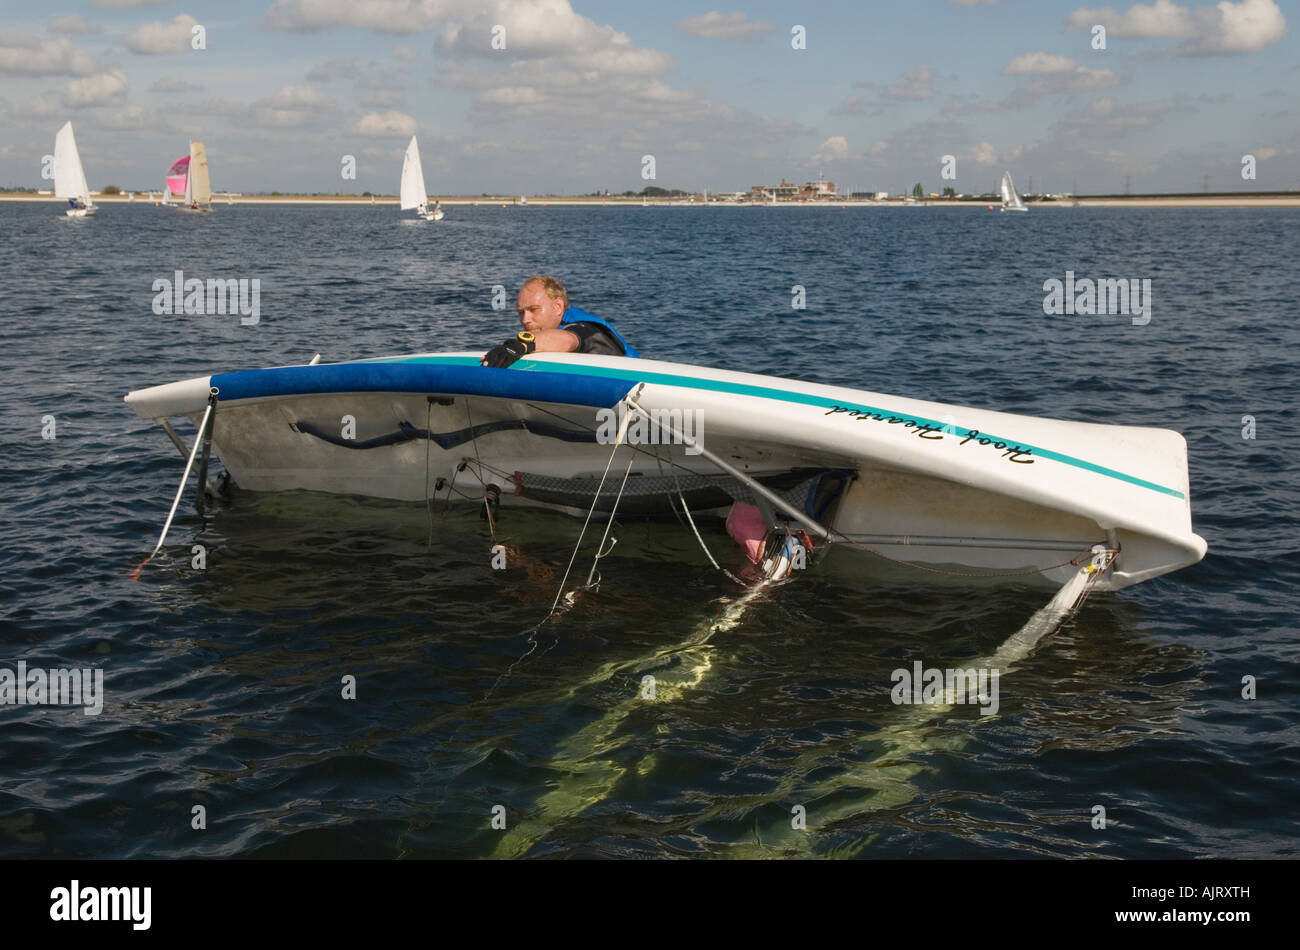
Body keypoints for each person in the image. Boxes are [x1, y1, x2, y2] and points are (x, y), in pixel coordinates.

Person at [481, 274, 639, 367]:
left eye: (533, 310)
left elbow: (568, 340)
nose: (525, 319)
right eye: (521, 312)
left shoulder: (587, 329)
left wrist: (521, 346)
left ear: (557, 307)